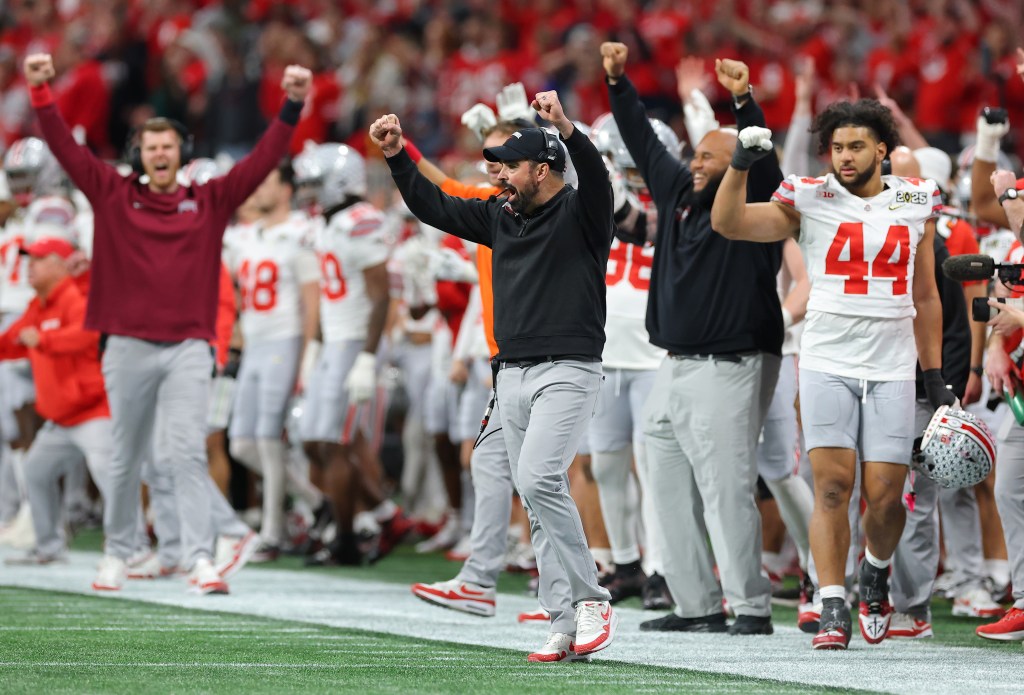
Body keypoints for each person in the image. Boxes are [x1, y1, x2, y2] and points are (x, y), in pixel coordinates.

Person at [25, 52, 311, 593]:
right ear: (141, 155)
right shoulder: (112, 194)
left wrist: (292, 104)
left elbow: (261, 160)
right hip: (127, 344)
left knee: (184, 454)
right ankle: (117, 551)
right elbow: (65, 149)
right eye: (151, 146)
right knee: (125, 456)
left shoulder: (210, 200)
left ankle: (200, 558)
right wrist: (42, 93)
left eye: (168, 145)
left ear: (181, 154)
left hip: (185, 347)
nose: (160, 152)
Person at [370, 88, 617, 663]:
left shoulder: (582, 211)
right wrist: (397, 155)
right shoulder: (500, 217)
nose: (500, 174)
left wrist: (568, 128)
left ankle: (592, 598)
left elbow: (599, 178)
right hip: (510, 371)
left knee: (537, 479)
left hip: (568, 368)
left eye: (510, 164)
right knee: (533, 496)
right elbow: (433, 205)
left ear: (544, 167)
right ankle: (562, 623)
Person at [710, 98, 953, 649]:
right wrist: (740, 166)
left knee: (887, 496)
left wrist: (933, 372)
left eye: (857, 146)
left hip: (892, 362)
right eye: (838, 147)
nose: (845, 157)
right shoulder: (809, 197)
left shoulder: (916, 200)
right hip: (826, 359)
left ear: (883, 149)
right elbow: (728, 222)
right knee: (832, 488)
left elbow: (926, 293)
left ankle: (874, 570)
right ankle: (833, 601)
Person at [602, 43, 784, 637]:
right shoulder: (680, 193)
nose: (699, 162)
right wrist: (619, 83)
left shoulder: (757, 201)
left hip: (732, 362)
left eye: (712, 155)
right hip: (674, 364)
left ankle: (750, 607)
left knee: (725, 487)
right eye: (699, 154)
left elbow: (761, 156)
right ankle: (695, 601)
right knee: (665, 485)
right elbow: (643, 142)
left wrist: (742, 102)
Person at [0, 236, 140, 565]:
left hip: (94, 410)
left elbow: (90, 333)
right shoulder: (39, 305)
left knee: (109, 473)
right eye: (28, 259)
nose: (29, 265)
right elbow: (11, 343)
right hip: (62, 419)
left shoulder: (77, 296)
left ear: (61, 265)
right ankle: (49, 546)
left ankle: (135, 548)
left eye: (39, 259)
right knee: (36, 471)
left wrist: (45, 339)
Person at [223, 160, 326, 561]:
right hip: (254, 343)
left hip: (284, 341)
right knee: (242, 444)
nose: (257, 191)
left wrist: (306, 355)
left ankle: (272, 531)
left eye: (265, 182)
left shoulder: (300, 232)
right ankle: (315, 501)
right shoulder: (246, 235)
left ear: (286, 189)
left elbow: (310, 300)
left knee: (267, 438)